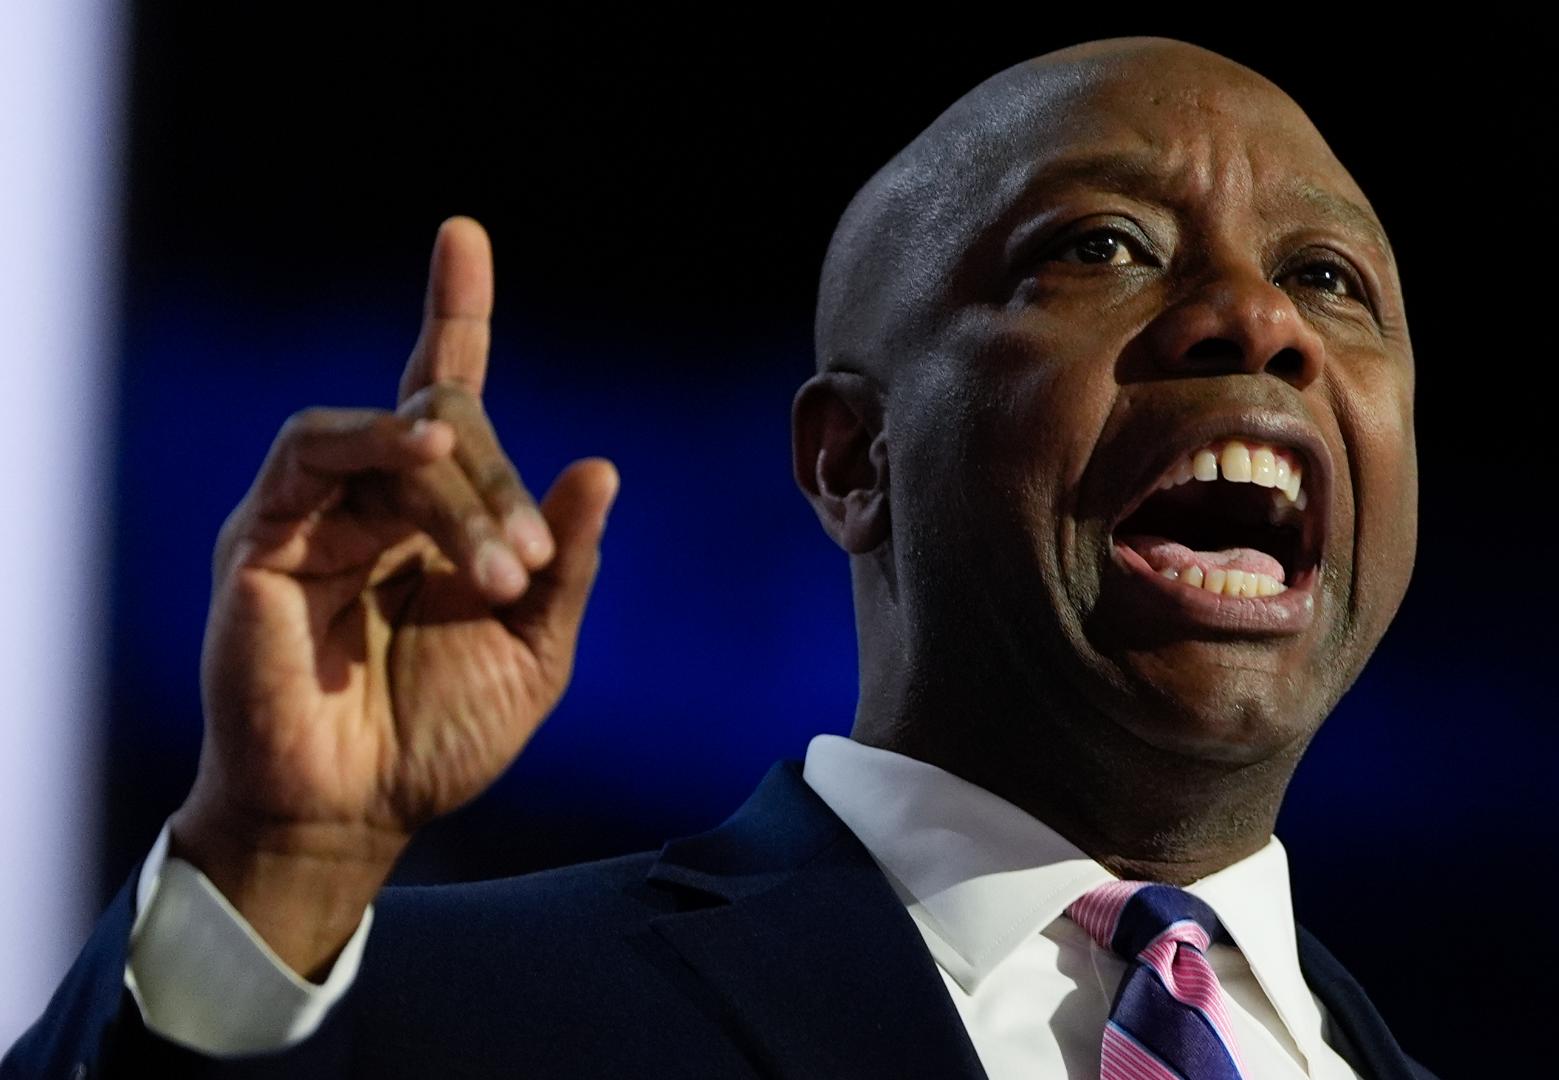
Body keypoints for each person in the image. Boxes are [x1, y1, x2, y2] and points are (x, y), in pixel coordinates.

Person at [4, 37, 1435, 1079]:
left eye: (1328, 278)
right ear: (850, 459)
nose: (1259, 321)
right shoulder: (446, 1016)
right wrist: (273, 871)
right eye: (1107, 245)